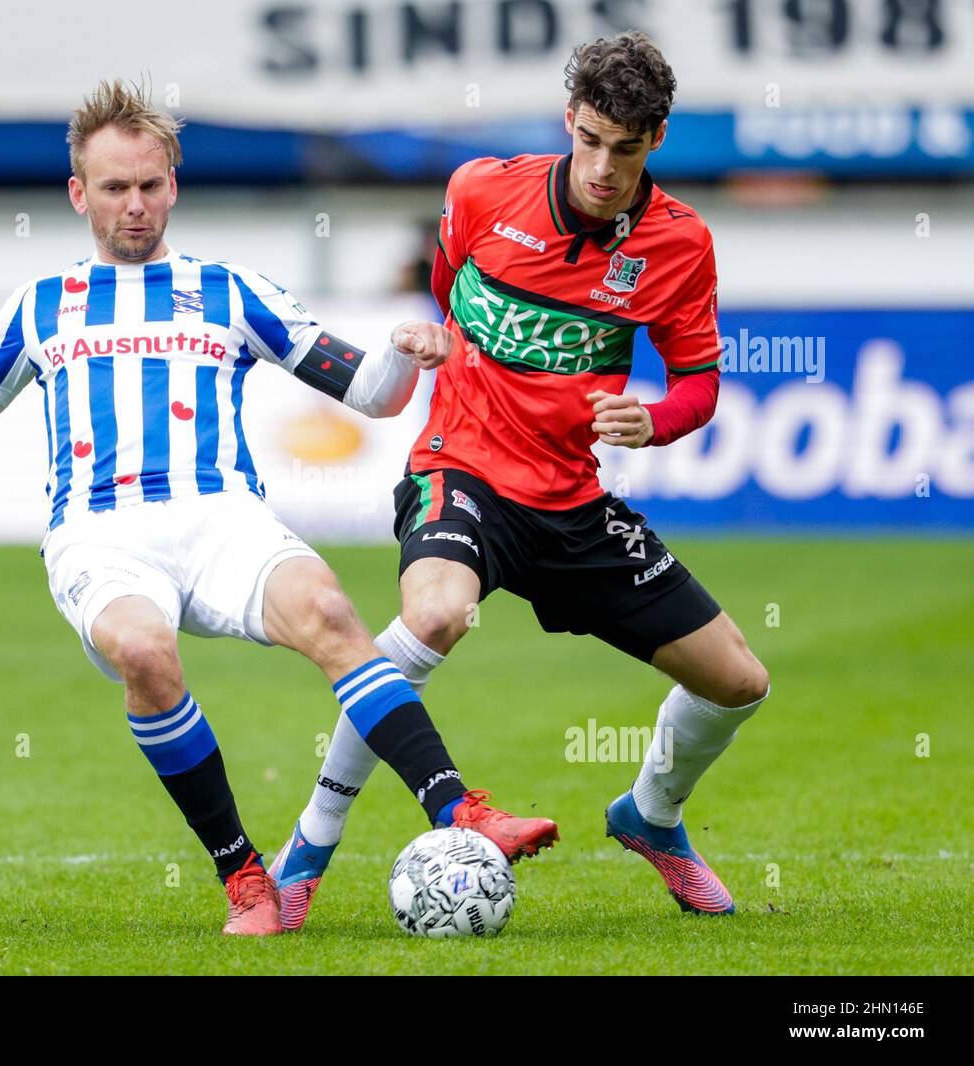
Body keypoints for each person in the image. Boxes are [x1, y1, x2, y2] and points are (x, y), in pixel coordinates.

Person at [0, 79, 558, 937]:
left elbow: (373, 396)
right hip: (101, 536)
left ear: (174, 183)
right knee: (142, 650)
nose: (134, 204)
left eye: (150, 185)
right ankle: (246, 877)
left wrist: (403, 352)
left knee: (328, 610)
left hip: (223, 519)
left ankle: (460, 811)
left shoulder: (231, 292)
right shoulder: (43, 306)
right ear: (78, 193)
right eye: (114, 187)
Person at [275, 32, 770, 922]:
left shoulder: (679, 244)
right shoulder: (480, 191)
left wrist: (654, 420)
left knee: (738, 682)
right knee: (433, 615)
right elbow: (447, 290)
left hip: (572, 500)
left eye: (626, 148)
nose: (603, 168)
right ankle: (311, 840)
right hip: (460, 468)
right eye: (589, 140)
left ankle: (652, 816)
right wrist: (438, 343)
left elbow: (699, 383)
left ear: (656, 139)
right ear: (568, 121)